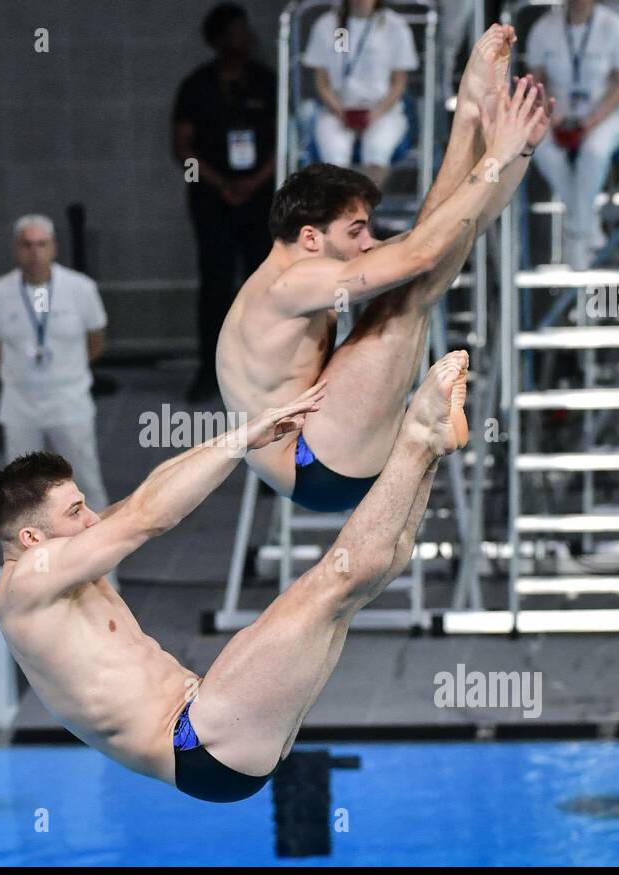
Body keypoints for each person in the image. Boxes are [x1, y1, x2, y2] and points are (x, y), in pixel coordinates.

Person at [0, 352, 467, 803]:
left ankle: (430, 450)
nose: (92, 519)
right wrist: (241, 442)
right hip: (196, 741)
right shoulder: (29, 581)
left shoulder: (62, 561)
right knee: (330, 585)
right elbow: (146, 517)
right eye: (76, 511)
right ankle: (418, 434)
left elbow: (147, 494)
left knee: (352, 591)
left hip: (216, 731)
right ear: (31, 536)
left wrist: (243, 432)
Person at [215, 25, 551, 513]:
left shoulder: (318, 265)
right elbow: (421, 255)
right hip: (313, 464)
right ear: (310, 237)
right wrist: (494, 151)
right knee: (405, 297)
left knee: (426, 257)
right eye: (355, 231)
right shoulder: (289, 285)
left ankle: (472, 113)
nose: (367, 242)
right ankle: (470, 113)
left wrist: (519, 152)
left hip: (330, 446)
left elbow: (446, 235)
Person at [172, 2, 277, 403]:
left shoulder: (266, 82)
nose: (246, 37)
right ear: (218, 39)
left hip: (260, 197)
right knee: (215, 282)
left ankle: (260, 372)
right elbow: (182, 148)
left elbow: (284, 136)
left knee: (261, 282)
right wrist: (221, 185)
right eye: (237, 30)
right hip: (213, 198)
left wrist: (253, 183)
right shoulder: (197, 86)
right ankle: (210, 369)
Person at [0, 214, 110, 514]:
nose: (35, 252)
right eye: (27, 245)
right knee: (21, 488)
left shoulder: (81, 289)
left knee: (84, 480)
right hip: (20, 404)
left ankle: (102, 558)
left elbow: (96, 341)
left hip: (69, 400)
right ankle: (30, 554)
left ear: (54, 247)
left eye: (41, 244)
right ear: (16, 248)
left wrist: (66, 372)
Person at [526, 0, 619, 270]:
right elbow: (534, 80)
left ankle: (577, 230)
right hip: (559, 113)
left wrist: (594, 119)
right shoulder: (543, 29)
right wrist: (552, 115)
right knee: (537, 146)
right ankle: (587, 224)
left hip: (608, 113)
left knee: (594, 150)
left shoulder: (615, 27)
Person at [303, 0, 419, 188]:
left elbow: (399, 82)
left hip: (382, 110)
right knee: (334, 155)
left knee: (377, 150)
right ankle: (339, 210)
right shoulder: (329, 25)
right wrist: (339, 110)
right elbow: (322, 80)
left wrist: (376, 114)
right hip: (337, 109)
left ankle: (365, 210)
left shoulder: (394, 26)